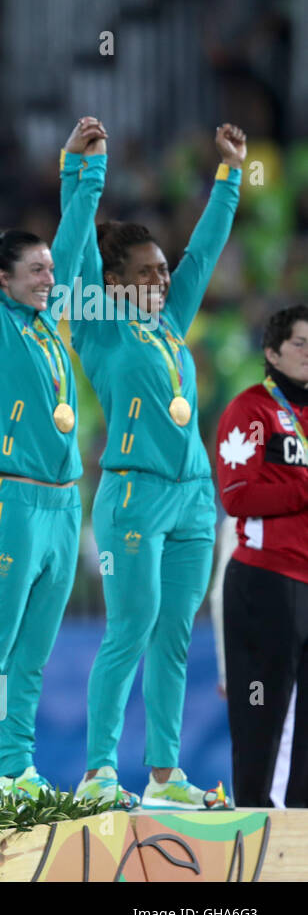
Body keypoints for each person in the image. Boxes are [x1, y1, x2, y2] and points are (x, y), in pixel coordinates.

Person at [75, 123, 246, 810]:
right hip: (132, 498)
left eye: (161, 268)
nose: (162, 277)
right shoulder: (97, 322)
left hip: (194, 499)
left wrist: (231, 175)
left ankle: (166, 773)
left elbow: (203, 251)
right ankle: (95, 773)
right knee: (131, 625)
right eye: (145, 271)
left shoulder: (171, 323)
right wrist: (85, 176)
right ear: (114, 281)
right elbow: (75, 258)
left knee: (174, 633)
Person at [0, 116, 107, 799]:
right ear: (4, 279)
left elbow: (73, 246)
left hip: (61, 501)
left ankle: (13, 765)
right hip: (9, 497)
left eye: (51, 271)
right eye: (36, 271)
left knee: (33, 655)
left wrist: (84, 171)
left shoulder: (48, 323)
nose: (51, 279)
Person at [215, 304, 308, 808]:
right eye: (301, 344)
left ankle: (302, 836)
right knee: (260, 713)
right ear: (272, 353)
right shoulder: (252, 410)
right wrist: (303, 489)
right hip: (265, 584)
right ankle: (254, 822)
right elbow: (236, 494)